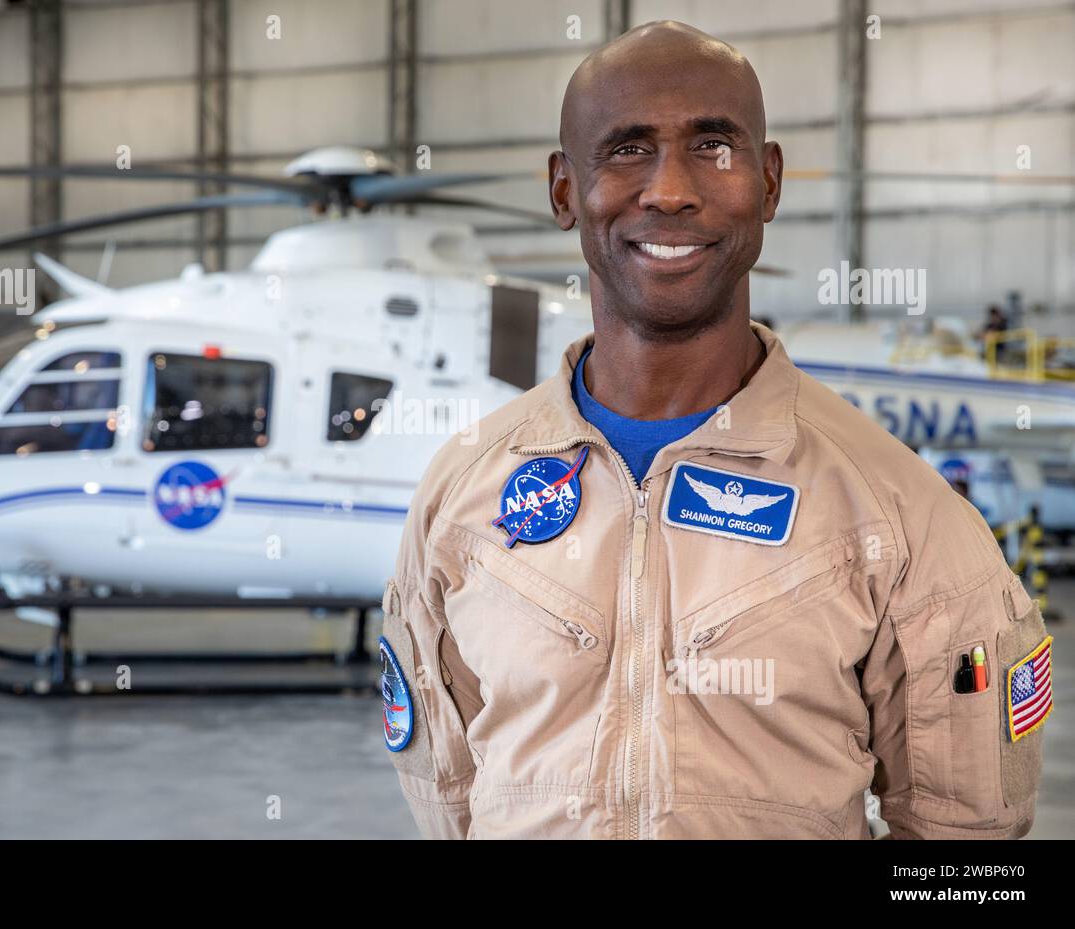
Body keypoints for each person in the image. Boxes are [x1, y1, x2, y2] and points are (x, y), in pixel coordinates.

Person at [377, 21, 1049, 839]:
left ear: (767, 183)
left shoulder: (900, 511)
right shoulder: (461, 493)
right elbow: (448, 794)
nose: (668, 190)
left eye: (713, 146)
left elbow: (968, 840)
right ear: (563, 191)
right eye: (626, 149)